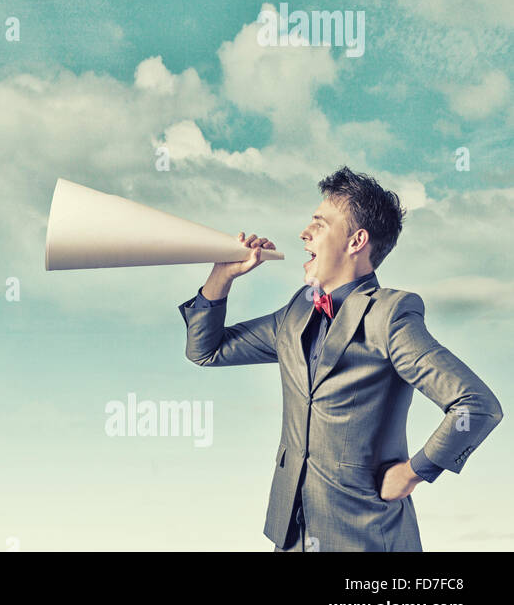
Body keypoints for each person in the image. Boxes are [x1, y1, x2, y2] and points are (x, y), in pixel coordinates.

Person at [178, 167, 501, 551]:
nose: (304, 233)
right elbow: (206, 350)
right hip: (291, 532)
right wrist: (223, 276)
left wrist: (415, 472)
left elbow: (477, 405)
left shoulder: (390, 315)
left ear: (356, 241)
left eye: (319, 224)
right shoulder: (296, 311)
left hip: (364, 535)